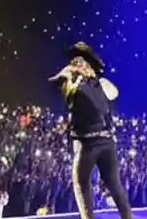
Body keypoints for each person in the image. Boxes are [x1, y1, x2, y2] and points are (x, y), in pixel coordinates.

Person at [48, 42, 133, 219]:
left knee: (81, 184)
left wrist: (69, 74)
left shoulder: (77, 82)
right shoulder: (96, 83)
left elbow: (56, 84)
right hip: (107, 142)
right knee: (114, 185)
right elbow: (113, 94)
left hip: (88, 144)